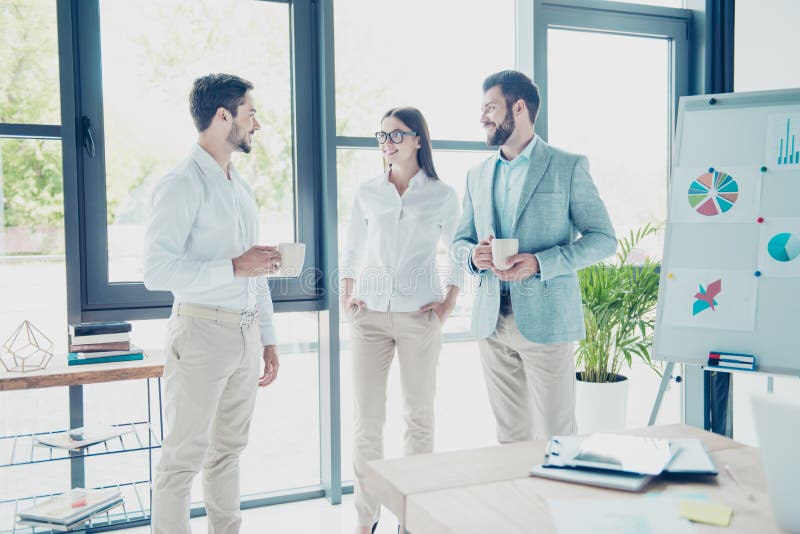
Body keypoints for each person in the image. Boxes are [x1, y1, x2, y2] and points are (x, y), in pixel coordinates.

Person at [143, 73, 281, 534]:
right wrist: (235, 267)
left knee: (227, 454)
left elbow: (253, 268)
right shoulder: (181, 183)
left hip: (244, 335)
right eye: (250, 113)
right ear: (223, 116)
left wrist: (268, 337)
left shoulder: (239, 188)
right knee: (182, 460)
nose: (256, 124)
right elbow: (157, 271)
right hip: (200, 332)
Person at [452, 70, 616, 443]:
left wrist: (541, 262)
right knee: (510, 435)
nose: (483, 118)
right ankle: (519, 503)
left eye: (490, 108)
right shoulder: (476, 175)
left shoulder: (567, 166)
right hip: (492, 322)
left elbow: (604, 238)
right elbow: (460, 240)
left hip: (547, 322)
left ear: (519, 107)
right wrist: (473, 257)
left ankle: (559, 501)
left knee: (557, 434)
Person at [340, 107, 462, 534]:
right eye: (382, 135)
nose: (387, 142)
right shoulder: (367, 191)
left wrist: (447, 304)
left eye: (396, 135)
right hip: (369, 318)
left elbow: (460, 252)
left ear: (417, 141)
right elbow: (351, 249)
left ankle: (412, 521)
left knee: (418, 418)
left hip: (418, 318)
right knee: (367, 423)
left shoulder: (442, 195)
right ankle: (365, 519)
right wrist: (346, 299)